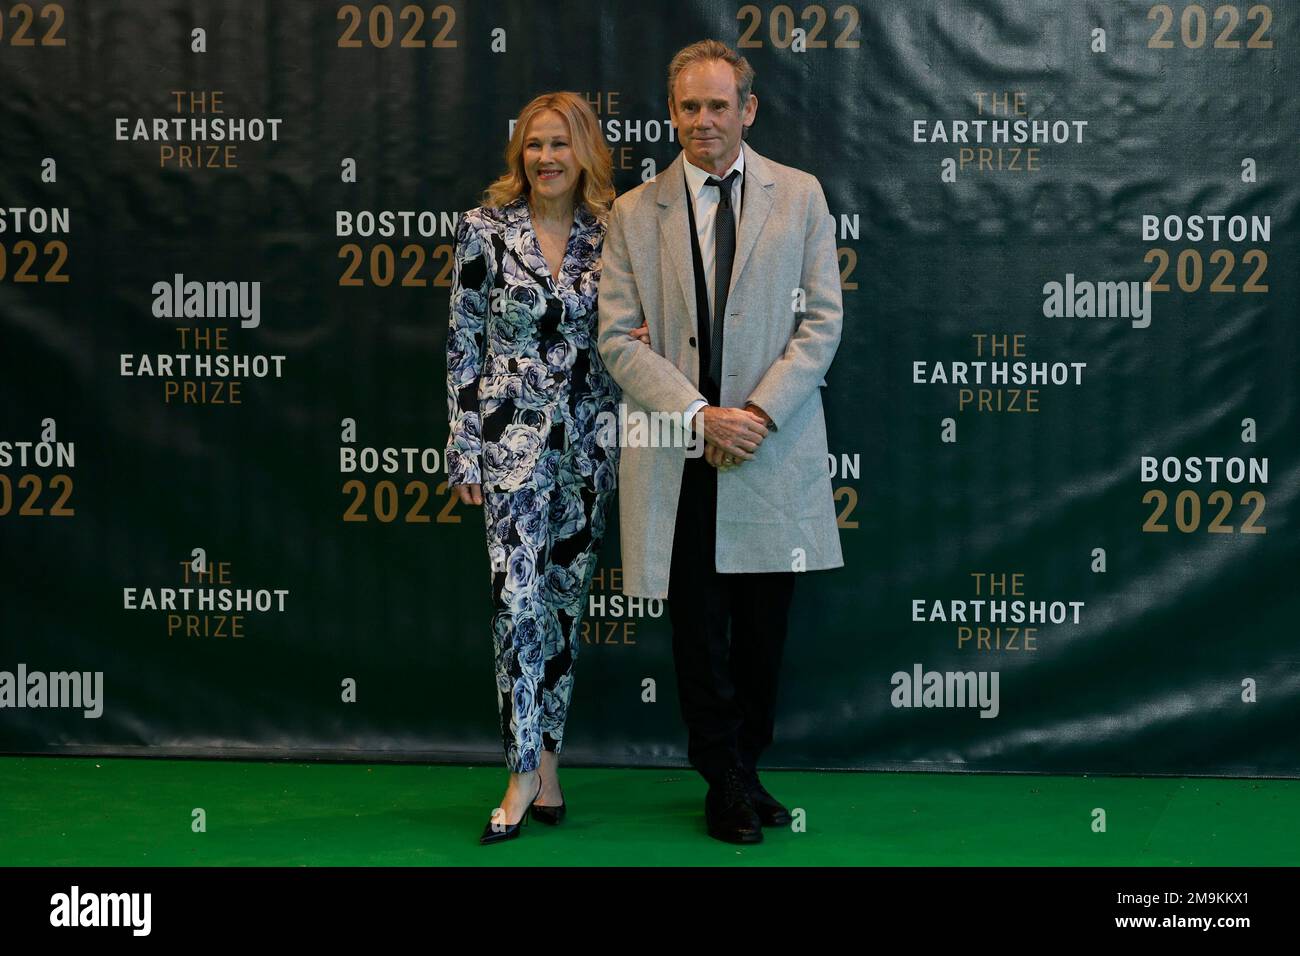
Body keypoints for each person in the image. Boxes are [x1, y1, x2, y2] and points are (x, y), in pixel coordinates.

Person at [596, 40, 844, 844]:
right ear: (672, 113)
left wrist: (758, 415)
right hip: (682, 448)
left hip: (771, 447)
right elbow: (618, 341)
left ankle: (746, 765)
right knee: (698, 632)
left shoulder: (800, 195)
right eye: (688, 107)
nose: (703, 121)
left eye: (717, 105)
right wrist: (702, 415)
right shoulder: (635, 213)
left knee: (765, 628)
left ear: (749, 107)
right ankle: (722, 778)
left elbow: (821, 322)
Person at [445, 91, 621, 845]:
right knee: (515, 606)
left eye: (559, 144)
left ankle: (550, 761)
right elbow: (462, 342)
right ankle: (519, 773)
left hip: (590, 444)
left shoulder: (615, 235)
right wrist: (463, 446)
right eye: (533, 145)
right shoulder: (483, 230)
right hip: (507, 444)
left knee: (560, 607)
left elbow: (630, 336)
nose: (545, 158)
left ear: (584, 152)